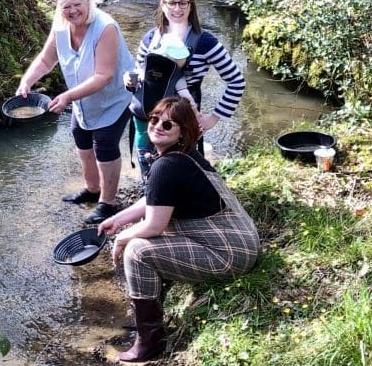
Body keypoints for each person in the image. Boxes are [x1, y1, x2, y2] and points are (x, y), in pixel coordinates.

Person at [98, 97, 259, 362]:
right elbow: (155, 198)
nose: (158, 126)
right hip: (239, 240)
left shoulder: (167, 166)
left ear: (183, 132)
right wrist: (119, 219)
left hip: (229, 255)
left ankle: (150, 341)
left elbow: (155, 224)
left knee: (137, 252)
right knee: (144, 237)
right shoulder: (185, 157)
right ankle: (149, 314)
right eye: (155, 119)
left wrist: (122, 237)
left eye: (168, 124)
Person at [16, 0, 135, 224]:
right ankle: (92, 189)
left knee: (104, 144)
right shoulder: (61, 25)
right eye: (66, 7)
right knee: (81, 138)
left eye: (77, 5)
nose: (72, 11)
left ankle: (108, 203)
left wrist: (68, 96)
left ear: (88, 2)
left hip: (114, 97)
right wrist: (26, 81)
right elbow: (46, 60)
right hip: (83, 99)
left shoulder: (105, 27)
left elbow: (104, 75)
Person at [125, 0, 246, 181]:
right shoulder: (150, 38)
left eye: (183, 3)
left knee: (178, 173)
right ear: (163, 5)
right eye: (172, 3)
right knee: (148, 169)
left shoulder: (206, 42)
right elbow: (140, 73)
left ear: (191, 6)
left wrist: (212, 119)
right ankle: (149, 194)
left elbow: (236, 81)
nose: (177, 8)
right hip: (150, 119)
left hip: (184, 120)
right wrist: (129, 81)